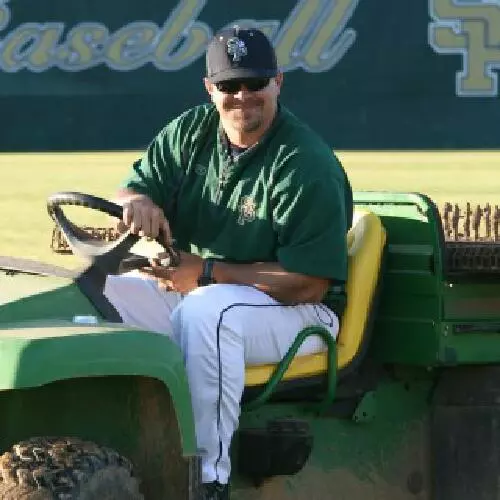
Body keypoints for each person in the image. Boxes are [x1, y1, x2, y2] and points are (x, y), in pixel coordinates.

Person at [104, 26, 353, 500]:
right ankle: (103, 449)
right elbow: (134, 184)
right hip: (206, 289)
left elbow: (311, 284)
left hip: (299, 315)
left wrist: (207, 274)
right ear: (209, 88)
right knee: (103, 292)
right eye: (229, 85)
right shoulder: (191, 132)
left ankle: (206, 481)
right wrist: (136, 201)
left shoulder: (306, 164)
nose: (243, 97)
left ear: (278, 81)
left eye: (255, 83)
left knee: (208, 315)